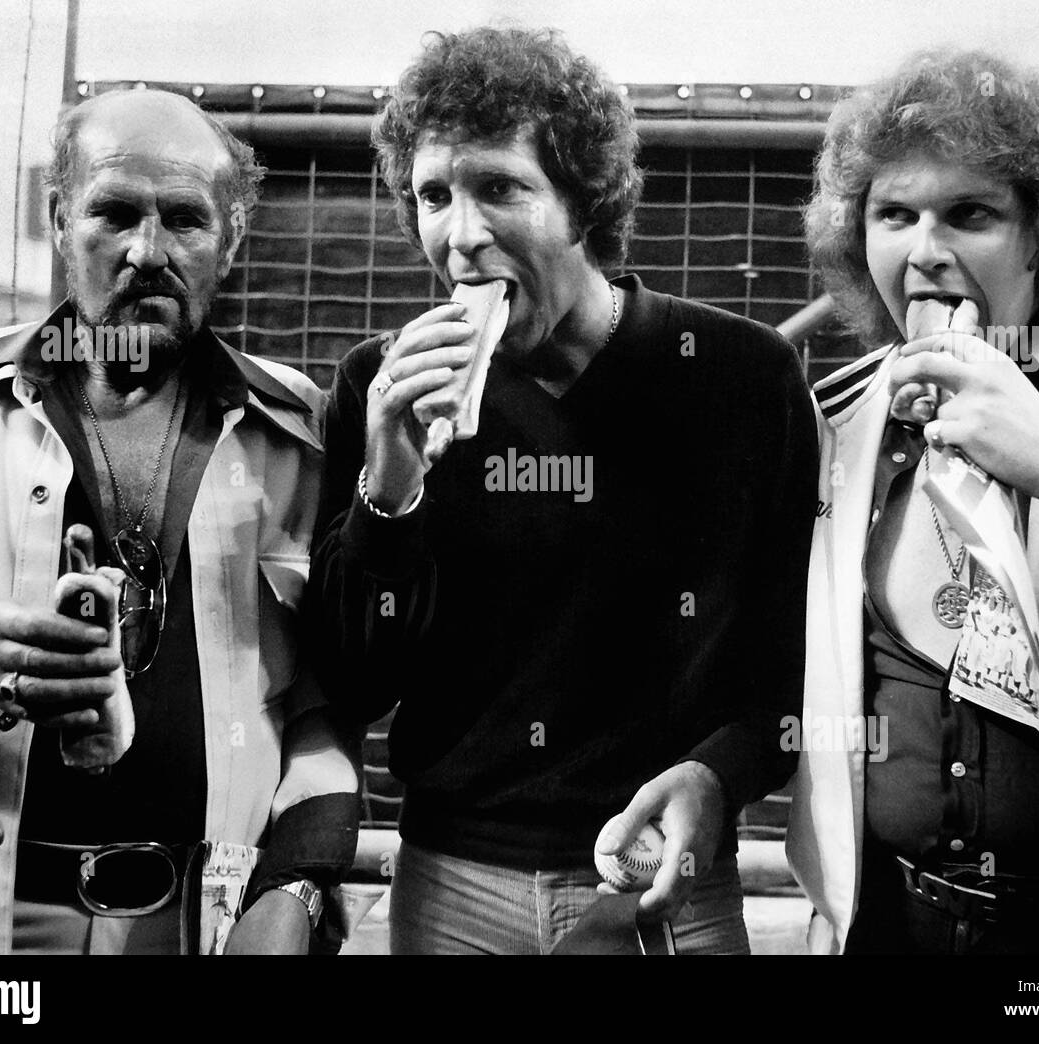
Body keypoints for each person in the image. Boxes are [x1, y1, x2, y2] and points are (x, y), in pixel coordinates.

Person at [305, 26, 818, 955]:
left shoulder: (743, 377)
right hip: (448, 884)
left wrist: (714, 780)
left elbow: (783, 671)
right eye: (433, 197)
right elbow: (352, 681)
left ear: (584, 198)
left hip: (667, 881)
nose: (461, 236)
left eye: (500, 188)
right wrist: (391, 487)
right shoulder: (379, 386)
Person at [0, 88, 359, 955]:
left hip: (202, 926)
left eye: (184, 219)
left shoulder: (303, 436)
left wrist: (298, 882)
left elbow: (326, 705)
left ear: (232, 238)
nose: (149, 252)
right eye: (115, 212)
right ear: (61, 218)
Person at [788, 48, 1039, 954]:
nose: (926, 252)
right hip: (888, 925)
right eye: (894, 215)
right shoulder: (834, 423)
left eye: (969, 214)